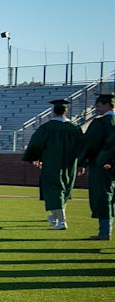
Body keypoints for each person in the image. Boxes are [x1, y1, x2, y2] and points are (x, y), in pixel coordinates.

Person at [22, 99, 83, 230]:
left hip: (51, 163)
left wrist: (34, 158)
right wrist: (82, 163)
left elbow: (36, 144)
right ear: (66, 112)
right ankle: (54, 217)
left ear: (53, 112)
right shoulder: (75, 128)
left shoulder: (47, 128)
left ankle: (61, 221)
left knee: (54, 190)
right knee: (64, 190)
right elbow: (82, 147)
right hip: (70, 165)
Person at [77, 93, 115, 240]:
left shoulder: (100, 123)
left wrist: (82, 162)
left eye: (98, 106)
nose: (96, 108)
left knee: (103, 195)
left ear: (107, 105)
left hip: (102, 165)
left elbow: (89, 144)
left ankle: (105, 232)